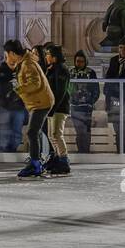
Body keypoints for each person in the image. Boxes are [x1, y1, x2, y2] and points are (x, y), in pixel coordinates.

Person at [5, 39, 53, 179]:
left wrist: (17, 91)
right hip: (38, 102)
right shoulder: (24, 62)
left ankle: (36, 164)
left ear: (13, 53)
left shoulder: (28, 64)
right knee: (34, 132)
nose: (6, 57)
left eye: (7, 54)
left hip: (41, 102)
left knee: (32, 132)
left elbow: (35, 83)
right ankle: (36, 161)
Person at [42, 44, 73, 176]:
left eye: (48, 55)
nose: (46, 57)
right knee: (51, 135)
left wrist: (53, 108)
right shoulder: (53, 69)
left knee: (56, 134)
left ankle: (63, 160)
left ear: (54, 57)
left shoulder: (61, 69)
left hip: (59, 107)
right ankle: (56, 157)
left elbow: (60, 91)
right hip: (52, 107)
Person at [0, 50, 28, 153]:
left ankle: (12, 150)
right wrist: (0, 104)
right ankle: (4, 151)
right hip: (4, 107)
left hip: (19, 107)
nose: (12, 60)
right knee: (3, 132)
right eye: (9, 57)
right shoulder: (0, 71)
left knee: (16, 132)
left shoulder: (22, 71)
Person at [69, 51, 100, 155]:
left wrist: (91, 101)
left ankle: (85, 150)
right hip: (74, 106)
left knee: (86, 131)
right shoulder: (71, 72)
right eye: (77, 61)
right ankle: (80, 150)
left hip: (86, 107)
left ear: (85, 62)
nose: (79, 63)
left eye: (81, 61)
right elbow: (68, 88)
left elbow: (96, 89)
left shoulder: (91, 72)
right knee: (78, 131)